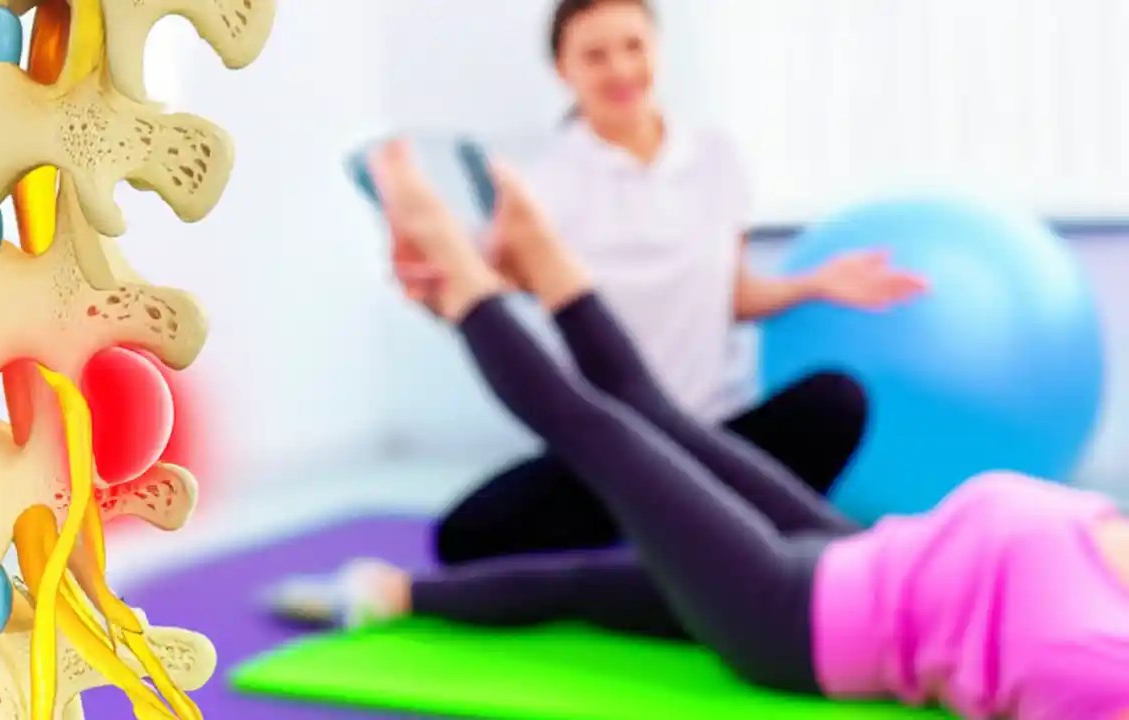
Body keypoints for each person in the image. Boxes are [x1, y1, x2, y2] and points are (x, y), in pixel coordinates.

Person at [280, 140, 1129, 720]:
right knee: (632, 462)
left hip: (792, 618)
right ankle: (391, 592)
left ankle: (454, 269)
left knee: (595, 428)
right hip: (850, 555)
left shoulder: (1101, 666)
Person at [398, 0, 926, 565]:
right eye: (595, 55)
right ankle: (695, 524)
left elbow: (731, 296)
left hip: (719, 432)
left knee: (835, 401)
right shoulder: (537, 187)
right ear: (563, 70)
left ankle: (692, 524)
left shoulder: (716, 159)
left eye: (634, 46)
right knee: (464, 538)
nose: (621, 69)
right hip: (616, 445)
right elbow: (484, 301)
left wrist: (815, 284)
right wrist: (432, 285)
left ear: (658, 50)